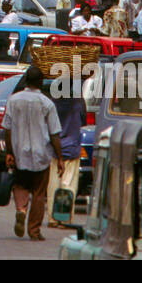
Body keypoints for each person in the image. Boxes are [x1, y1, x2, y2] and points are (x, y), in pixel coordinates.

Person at [0, 66, 64, 241]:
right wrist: (60, 157)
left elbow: (7, 128)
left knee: (20, 185)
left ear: (26, 80)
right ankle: (34, 231)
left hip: (19, 152)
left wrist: (9, 152)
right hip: (41, 154)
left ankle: (21, 210)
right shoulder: (47, 103)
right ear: (41, 82)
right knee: (38, 192)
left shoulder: (13, 100)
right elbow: (54, 134)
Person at [46, 91, 84, 228]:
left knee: (53, 185)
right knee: (69, 185)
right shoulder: (78, 102)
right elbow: (83, 121)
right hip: (72, 148)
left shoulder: (51, 103)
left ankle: (52, 218)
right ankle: (65, 219)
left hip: (55, 149)